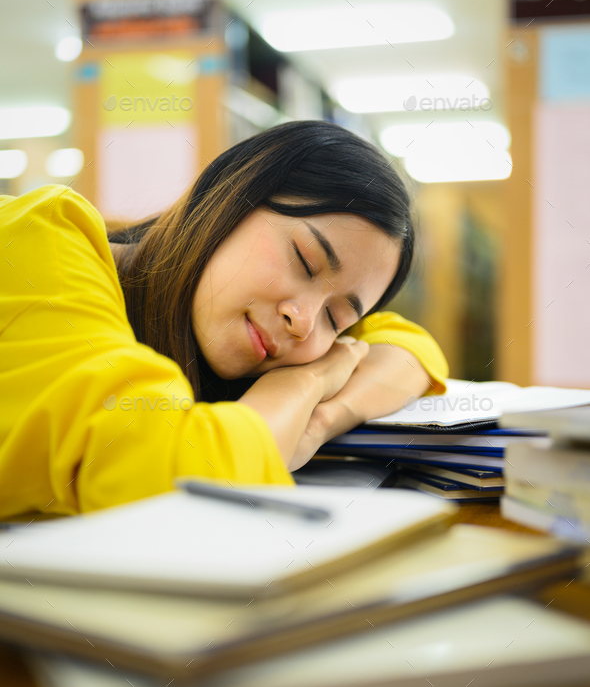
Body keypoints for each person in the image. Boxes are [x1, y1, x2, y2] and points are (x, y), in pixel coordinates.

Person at [0, 120, 448, 519]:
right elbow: (181, 490)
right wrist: (301, 386)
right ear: (229, 197)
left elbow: (408, 346)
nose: (304, 322)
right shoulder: (41, 239)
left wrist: (324, 418)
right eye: (305, 261)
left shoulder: (214, 315)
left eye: (337, 318)